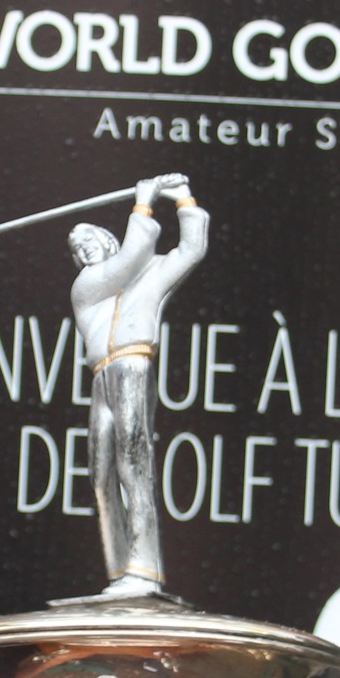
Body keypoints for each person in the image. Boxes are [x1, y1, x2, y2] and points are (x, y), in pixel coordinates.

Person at [67, 176, 208, 598]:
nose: (83, 248)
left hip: (131, 367)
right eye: (77, 248)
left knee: (134, 463)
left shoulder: (151, 274)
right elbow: (129, 259)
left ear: (109, 239)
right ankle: (118, 571)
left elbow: (192, 248)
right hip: (101, 379)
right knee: (100, 473)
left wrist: (182, 198)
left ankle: (144, 570)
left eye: (89, 239)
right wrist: (144, 205)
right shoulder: (87, 288)